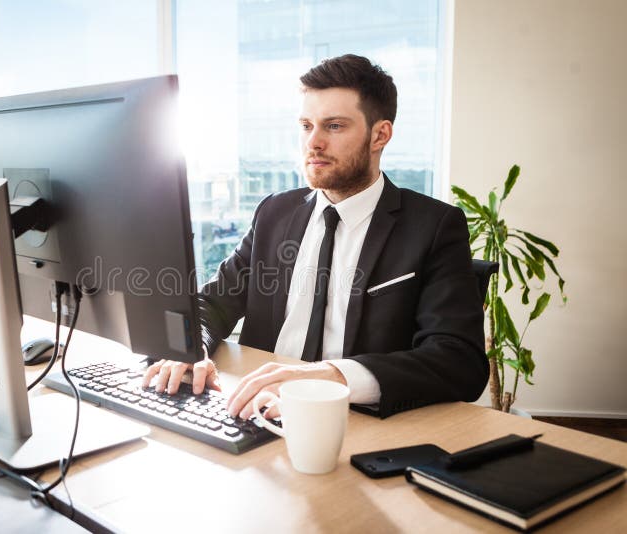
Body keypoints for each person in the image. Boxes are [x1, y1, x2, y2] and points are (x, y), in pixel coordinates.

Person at [143, 54, 487, 419]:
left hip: (355, 422)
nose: (314, 143)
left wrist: (332, 376)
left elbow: (459, 360)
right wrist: (189, 347)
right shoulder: (274, 213)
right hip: (254, 412)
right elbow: (210, 304)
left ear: (380, 134)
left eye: (334, 126)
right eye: (306, 126)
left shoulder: (433, 226)